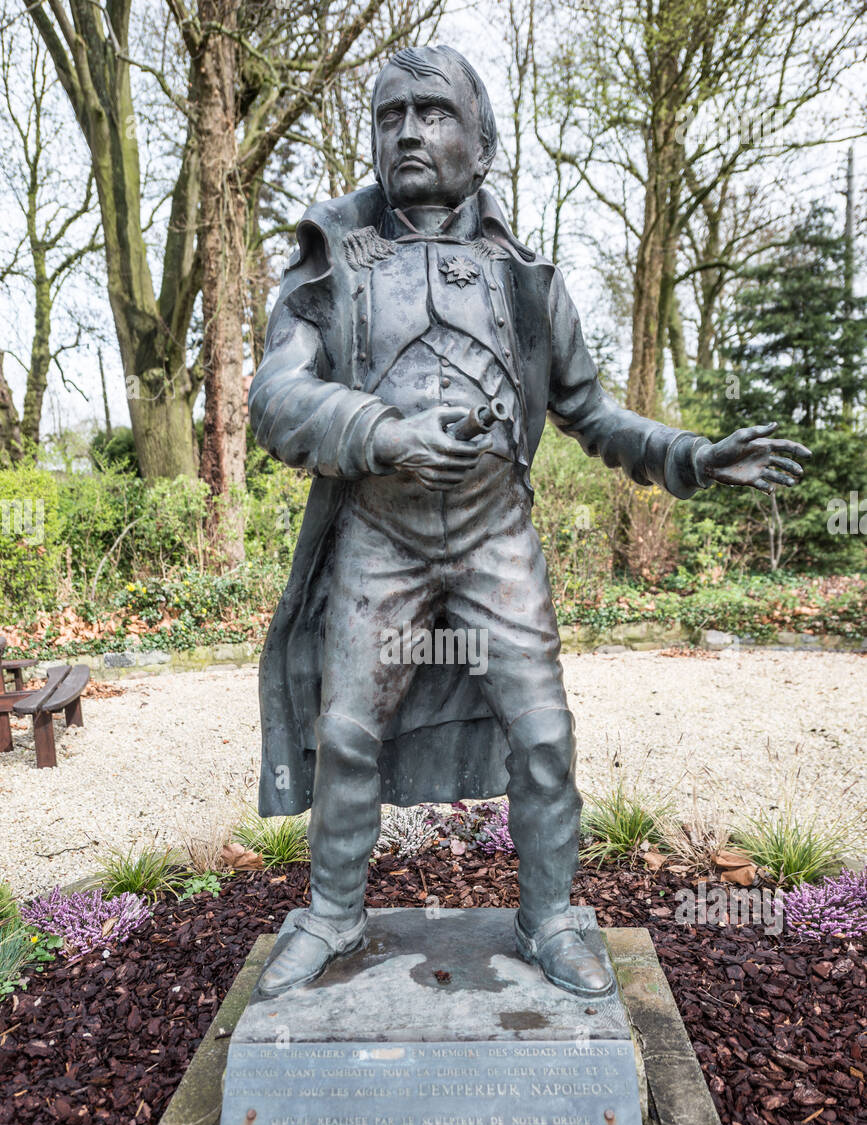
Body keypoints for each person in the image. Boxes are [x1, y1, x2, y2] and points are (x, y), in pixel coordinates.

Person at [248, 45, 808, 1000]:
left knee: (542, 735)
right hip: (376, 537)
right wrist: (383, 433)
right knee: (345, 733)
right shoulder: (330, 265)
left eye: (434, 112)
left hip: (493, 535)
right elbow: (274, 399)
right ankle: (335, 914)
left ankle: (550, 916)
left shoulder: (528, 280)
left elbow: (590, 414)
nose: (411, 131)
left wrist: (690, 455)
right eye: (391, 115)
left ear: (482, 140)